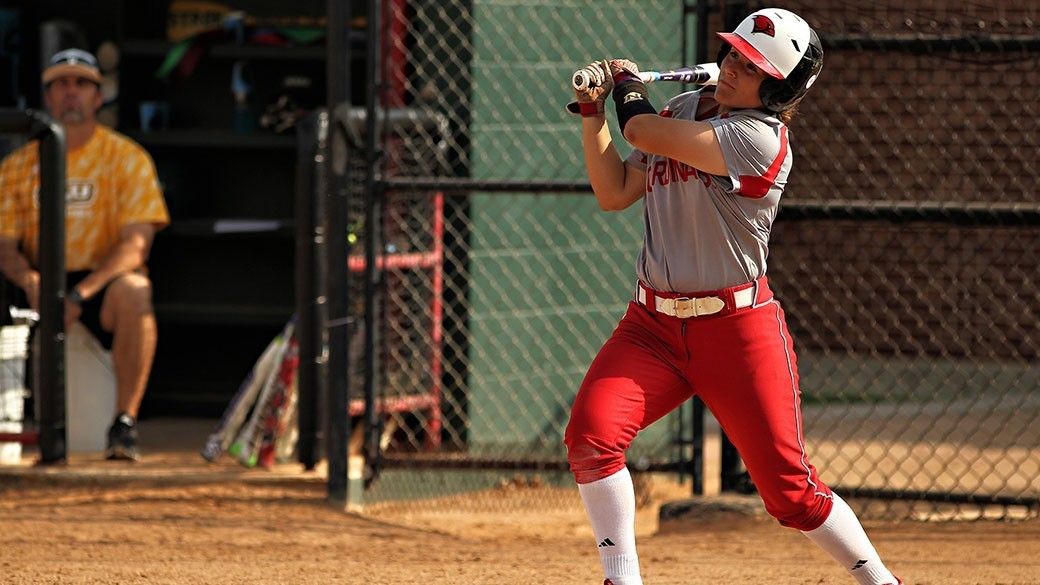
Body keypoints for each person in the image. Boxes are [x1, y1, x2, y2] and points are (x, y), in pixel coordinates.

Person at [565, 8, 902, 585]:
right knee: (590, 436)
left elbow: (639, 130)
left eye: (752, 68)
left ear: (777, 91)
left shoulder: (760, 140)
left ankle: (881, 582)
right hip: (652, 327)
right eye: (734, 56)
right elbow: (615, 191)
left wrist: (626, 84)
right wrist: (595, 112)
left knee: (790, 495)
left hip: (738, 333)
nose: (731, 69)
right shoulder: (683, 110)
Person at [0, 48, 170, 462]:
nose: (70, 93)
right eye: (60, 84)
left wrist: (79, 295)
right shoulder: (17, 165)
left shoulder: (127, 157)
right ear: (47, 97)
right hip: (36, 282)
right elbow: (5, 247)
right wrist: (31, 280)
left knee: (135, 292)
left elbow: (136, 245)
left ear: (99, 96)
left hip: (97, 284)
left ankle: (123, 424)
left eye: (81, 84)